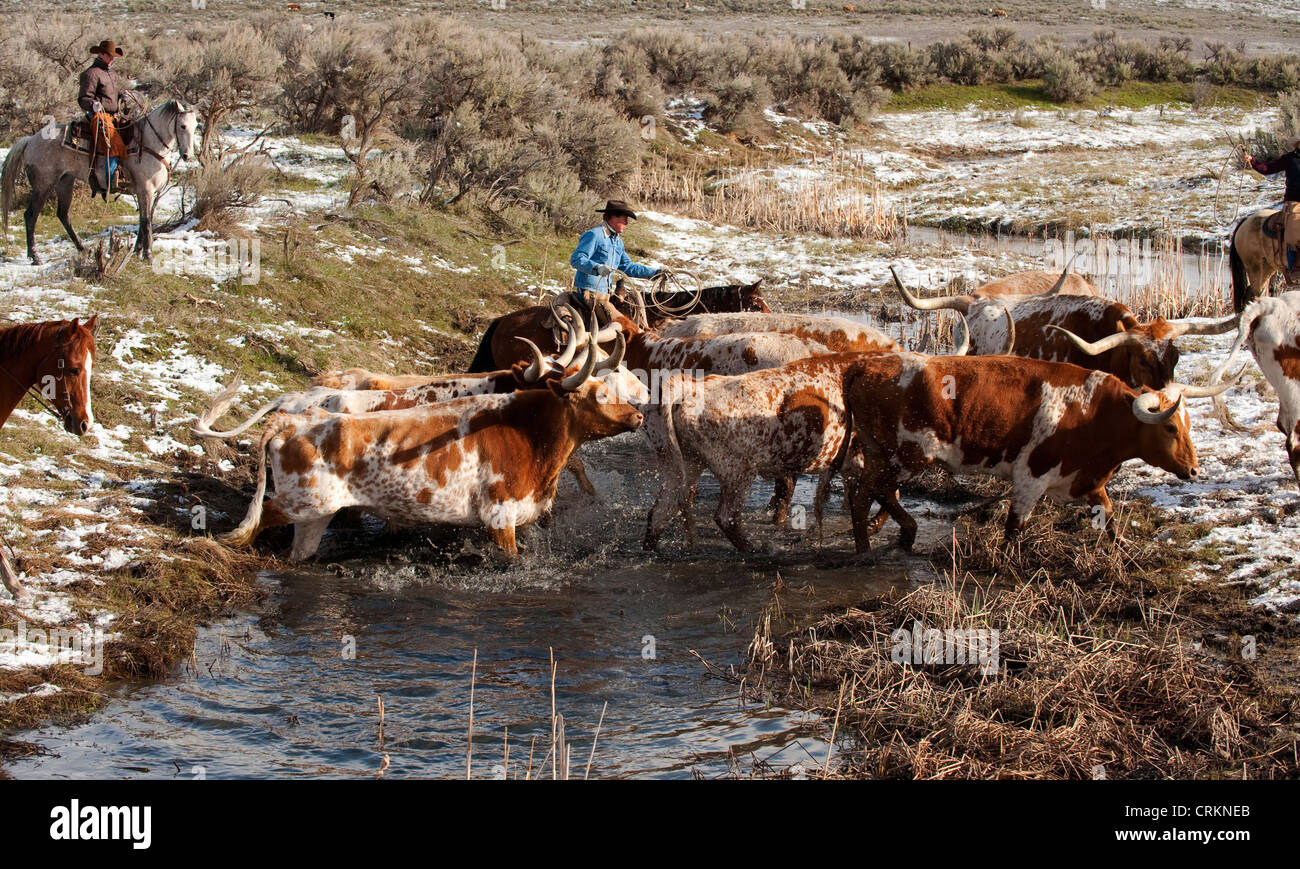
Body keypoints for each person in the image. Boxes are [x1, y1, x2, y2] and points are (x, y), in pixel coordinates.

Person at [569, 200, 662, 324]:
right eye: (624, 218)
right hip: (590, 294)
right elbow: (577, 259)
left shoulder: (617, 242)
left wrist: (655, 273)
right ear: (613, 217)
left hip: (604, 294)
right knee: (621, 325)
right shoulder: (594, 235)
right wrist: (597, 268)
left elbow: (627, 266)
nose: (626, 223)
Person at [78, 40, 128, 199]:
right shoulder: (91, 73)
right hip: (98, 116)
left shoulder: (111, 73)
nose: (112, 59)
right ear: (101, 54)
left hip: (113, 115)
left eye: (113, 56)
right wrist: (92, 104)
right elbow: (83, 98)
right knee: (112, 141)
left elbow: (110, 95)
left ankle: (125, 173)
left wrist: (121, 96)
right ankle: (109, 181)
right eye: (109, 56)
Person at [1245, 136, 1300, 278]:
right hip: (1294, 202)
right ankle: (1294, 267)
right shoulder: (1289, 159)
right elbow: (1268, 168)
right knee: (1293, 229)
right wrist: (1253, 162)